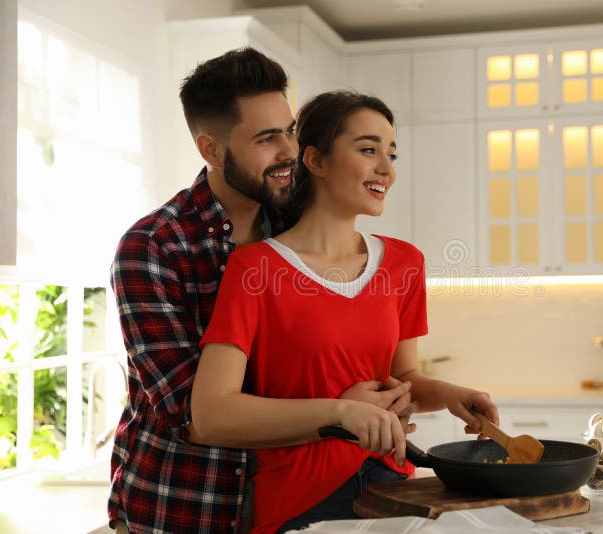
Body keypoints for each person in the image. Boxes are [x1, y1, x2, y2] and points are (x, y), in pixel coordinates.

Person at [108, 49, 414, 533]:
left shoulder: (296, 223)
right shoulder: (152, 249)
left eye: (290, 130)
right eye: (267, 139)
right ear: (211, 150)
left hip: (291, 499)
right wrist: (339, 408)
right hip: (187, 504)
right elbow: (192, 413)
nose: (289, 151)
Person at [190, 91, 500, 534]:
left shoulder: (404, 264)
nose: (387, 170)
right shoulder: (254, 268)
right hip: (298, 502)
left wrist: (452, 396)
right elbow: (213, 414)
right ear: (315, 161)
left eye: (391, 154)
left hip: (391, 488)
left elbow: (404, 380)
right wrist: (339, 414)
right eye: (368, 150)